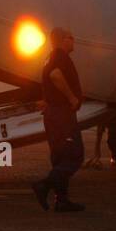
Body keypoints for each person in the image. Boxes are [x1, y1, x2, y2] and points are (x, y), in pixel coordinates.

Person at [32, 27, 86, 212]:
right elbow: (55, 75)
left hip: (53, 115)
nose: (74, 40)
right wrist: (71, 98)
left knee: (60, 157)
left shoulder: (50, 57)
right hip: (62, 115)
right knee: (75, 156)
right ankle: (44, 185)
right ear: (63, 39)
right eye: (71, 37)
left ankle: (61, 200)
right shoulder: (60, 56)